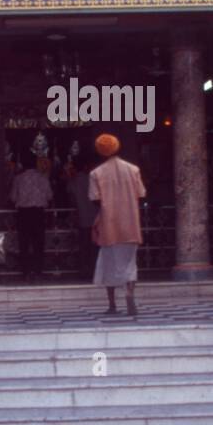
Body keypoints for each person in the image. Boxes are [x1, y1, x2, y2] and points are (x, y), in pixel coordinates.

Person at [88, 133, 146, 317]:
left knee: (109, 266)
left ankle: (113, 304)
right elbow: (141, 194)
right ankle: (129, 293)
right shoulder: (133, 169)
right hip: (130, 225)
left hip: (109, 226)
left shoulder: (96, 173)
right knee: (130, 265)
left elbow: (95, 199)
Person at [9, 159, 52, 281]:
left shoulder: (18, 179)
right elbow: (49, 196)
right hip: (38, 213)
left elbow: (13, 197)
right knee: (39, 243)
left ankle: (25, 272)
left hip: (24, 214)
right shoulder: (43, 178)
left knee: (24, 244)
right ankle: (38, 271)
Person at [66, 157, 96, 280]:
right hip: (95, 217)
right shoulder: (93, 179)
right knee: (95, 246)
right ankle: (95, 270)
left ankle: (84, 271)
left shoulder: (74, 180)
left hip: (83, 217)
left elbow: (70, 195)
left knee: (84, 246)